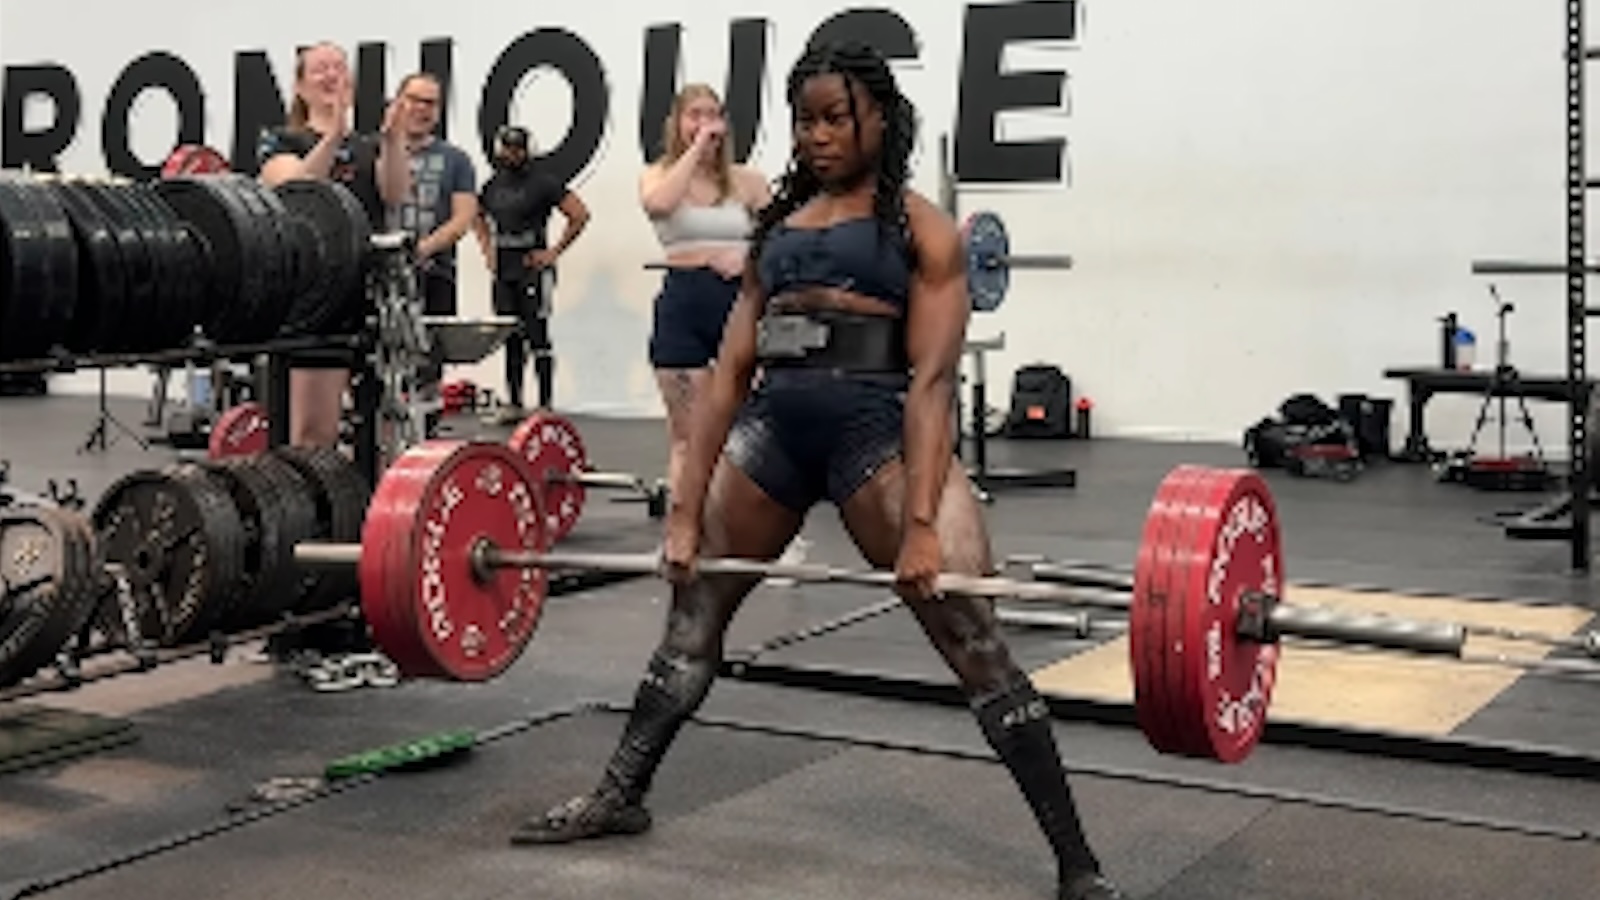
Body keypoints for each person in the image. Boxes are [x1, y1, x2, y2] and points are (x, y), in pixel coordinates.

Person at [510, 42, 1124, 900]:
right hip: (774, 440)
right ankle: (620, 795)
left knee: (974, 637)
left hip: (877, 438)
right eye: (805, 121)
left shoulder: (924, 230)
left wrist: (918, 527)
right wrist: (684, 512)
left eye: (837, 117)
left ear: (881, 118)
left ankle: (1077, 864)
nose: (819, 135)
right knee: (693, 618)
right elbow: (727, 374)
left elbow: (935, 382)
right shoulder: (779, 232)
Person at [257, 41, 410, 449]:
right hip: (318, 299)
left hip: (370, 293)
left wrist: (393, 139)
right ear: (301, 87)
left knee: (378, 430)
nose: (331, 76)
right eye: (320, 69)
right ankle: (314, 508)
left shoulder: (367, 146)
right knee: (313, 433)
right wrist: (332, 138)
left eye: (338, 68)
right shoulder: (282, 141)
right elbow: (295, 190)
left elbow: (395, 193)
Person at [639, 84, 770, 500]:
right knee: (689, 438)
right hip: (684, 301)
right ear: (677, 123)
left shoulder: (747, 182)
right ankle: (686, 532)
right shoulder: (658, 175)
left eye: (713, 114)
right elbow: (659, 205)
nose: (706, 123)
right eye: (694, 114)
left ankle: (751, 533)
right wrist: (695, 149)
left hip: (739, 303)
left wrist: (746, 260)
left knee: (750, 433)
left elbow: (779, 241)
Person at [474, 125, 590, 418]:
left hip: (532, 271)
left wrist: (553, 252)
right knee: (509, 336)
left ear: (527, 150)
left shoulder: (543, 183)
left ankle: (545, 404)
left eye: (517, 148)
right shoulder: (492, 186)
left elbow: (579, 214)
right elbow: (476, 215)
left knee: (537, 335)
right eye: (507, 148)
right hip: (504, 271)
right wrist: (488, 250)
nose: (512, 154)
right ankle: (514, 402)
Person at [390, 72, 478, 317]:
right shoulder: (374, 151)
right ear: (397, 104)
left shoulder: (457, 160)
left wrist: (422, 249)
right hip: (380, 281)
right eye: (414, 99)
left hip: (435, 276)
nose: (421, 108)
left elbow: (463, 218)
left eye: (429, 103)